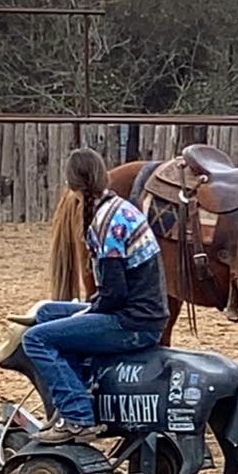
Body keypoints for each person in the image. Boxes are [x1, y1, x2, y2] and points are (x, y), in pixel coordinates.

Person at [22, 148, 170, 443]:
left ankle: (77, 415)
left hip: (132, 324)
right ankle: (80, 391)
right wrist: (89, 308)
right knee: (46, 313)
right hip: (142, 314)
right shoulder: (121, 208)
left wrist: (87, 311)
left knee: (35, 338)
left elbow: (114, 295)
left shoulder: (106, 224)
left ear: (72, 185)